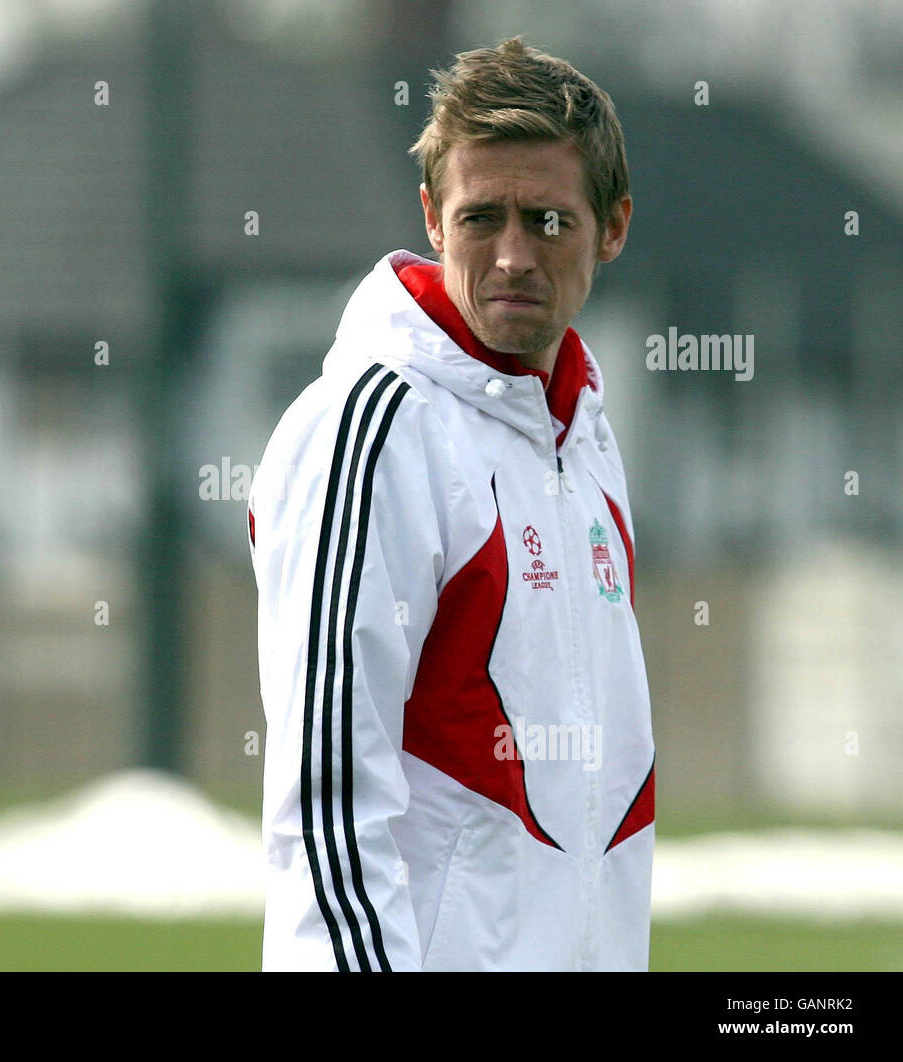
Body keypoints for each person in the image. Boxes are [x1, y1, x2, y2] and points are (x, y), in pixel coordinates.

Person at [246, 36, 655, 971]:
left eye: (549, 221)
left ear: (614, 226)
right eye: (482, 218)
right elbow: (328, 802)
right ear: (432, 218)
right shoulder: (375, 427)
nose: (513, 256)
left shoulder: (583, 434)